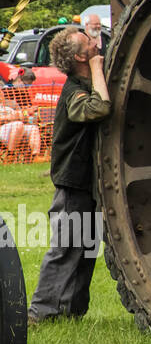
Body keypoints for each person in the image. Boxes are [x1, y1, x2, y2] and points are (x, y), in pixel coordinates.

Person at [27, 29, 110, 323]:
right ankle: (39, 313)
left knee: (87, 247)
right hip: (71, 181)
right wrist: (99, 68)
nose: (95, 40)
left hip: (86, 181)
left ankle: (71, 311)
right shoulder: (74, 89)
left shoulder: (88, 82)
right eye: (88, 40)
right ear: (80, 56)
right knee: (65, 247)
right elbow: (99, 107)